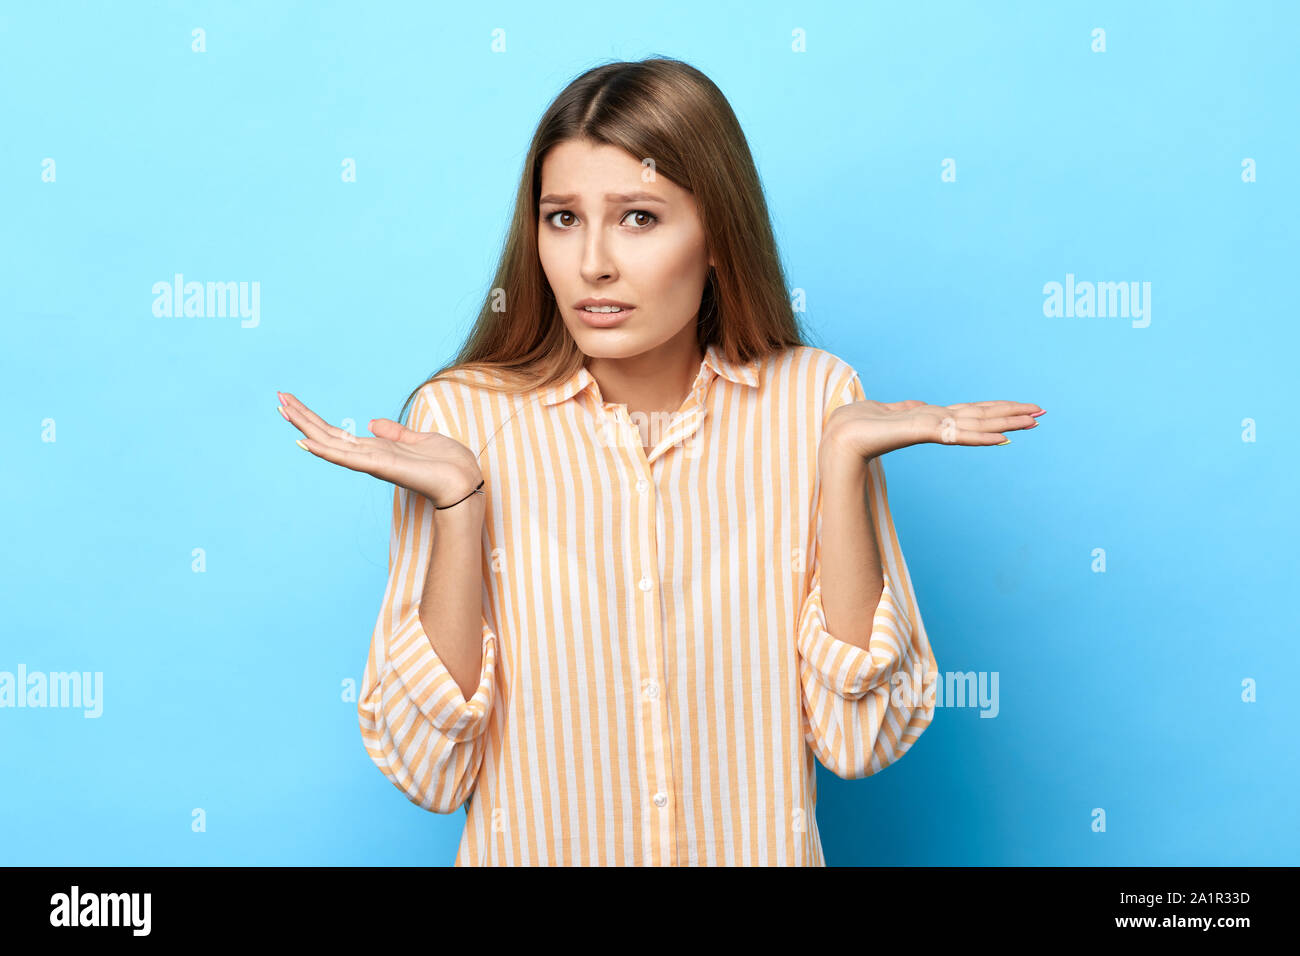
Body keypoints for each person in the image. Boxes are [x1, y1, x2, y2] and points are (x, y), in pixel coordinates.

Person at [277, 56, 1042, 866]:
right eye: (563, 218)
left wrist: (843, 457)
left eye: (638, 217)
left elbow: (858, 740)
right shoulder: (460, 422)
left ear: (717, 234)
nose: (593, 263)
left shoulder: (816, 401)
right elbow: (430, 772)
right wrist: (463, 507)